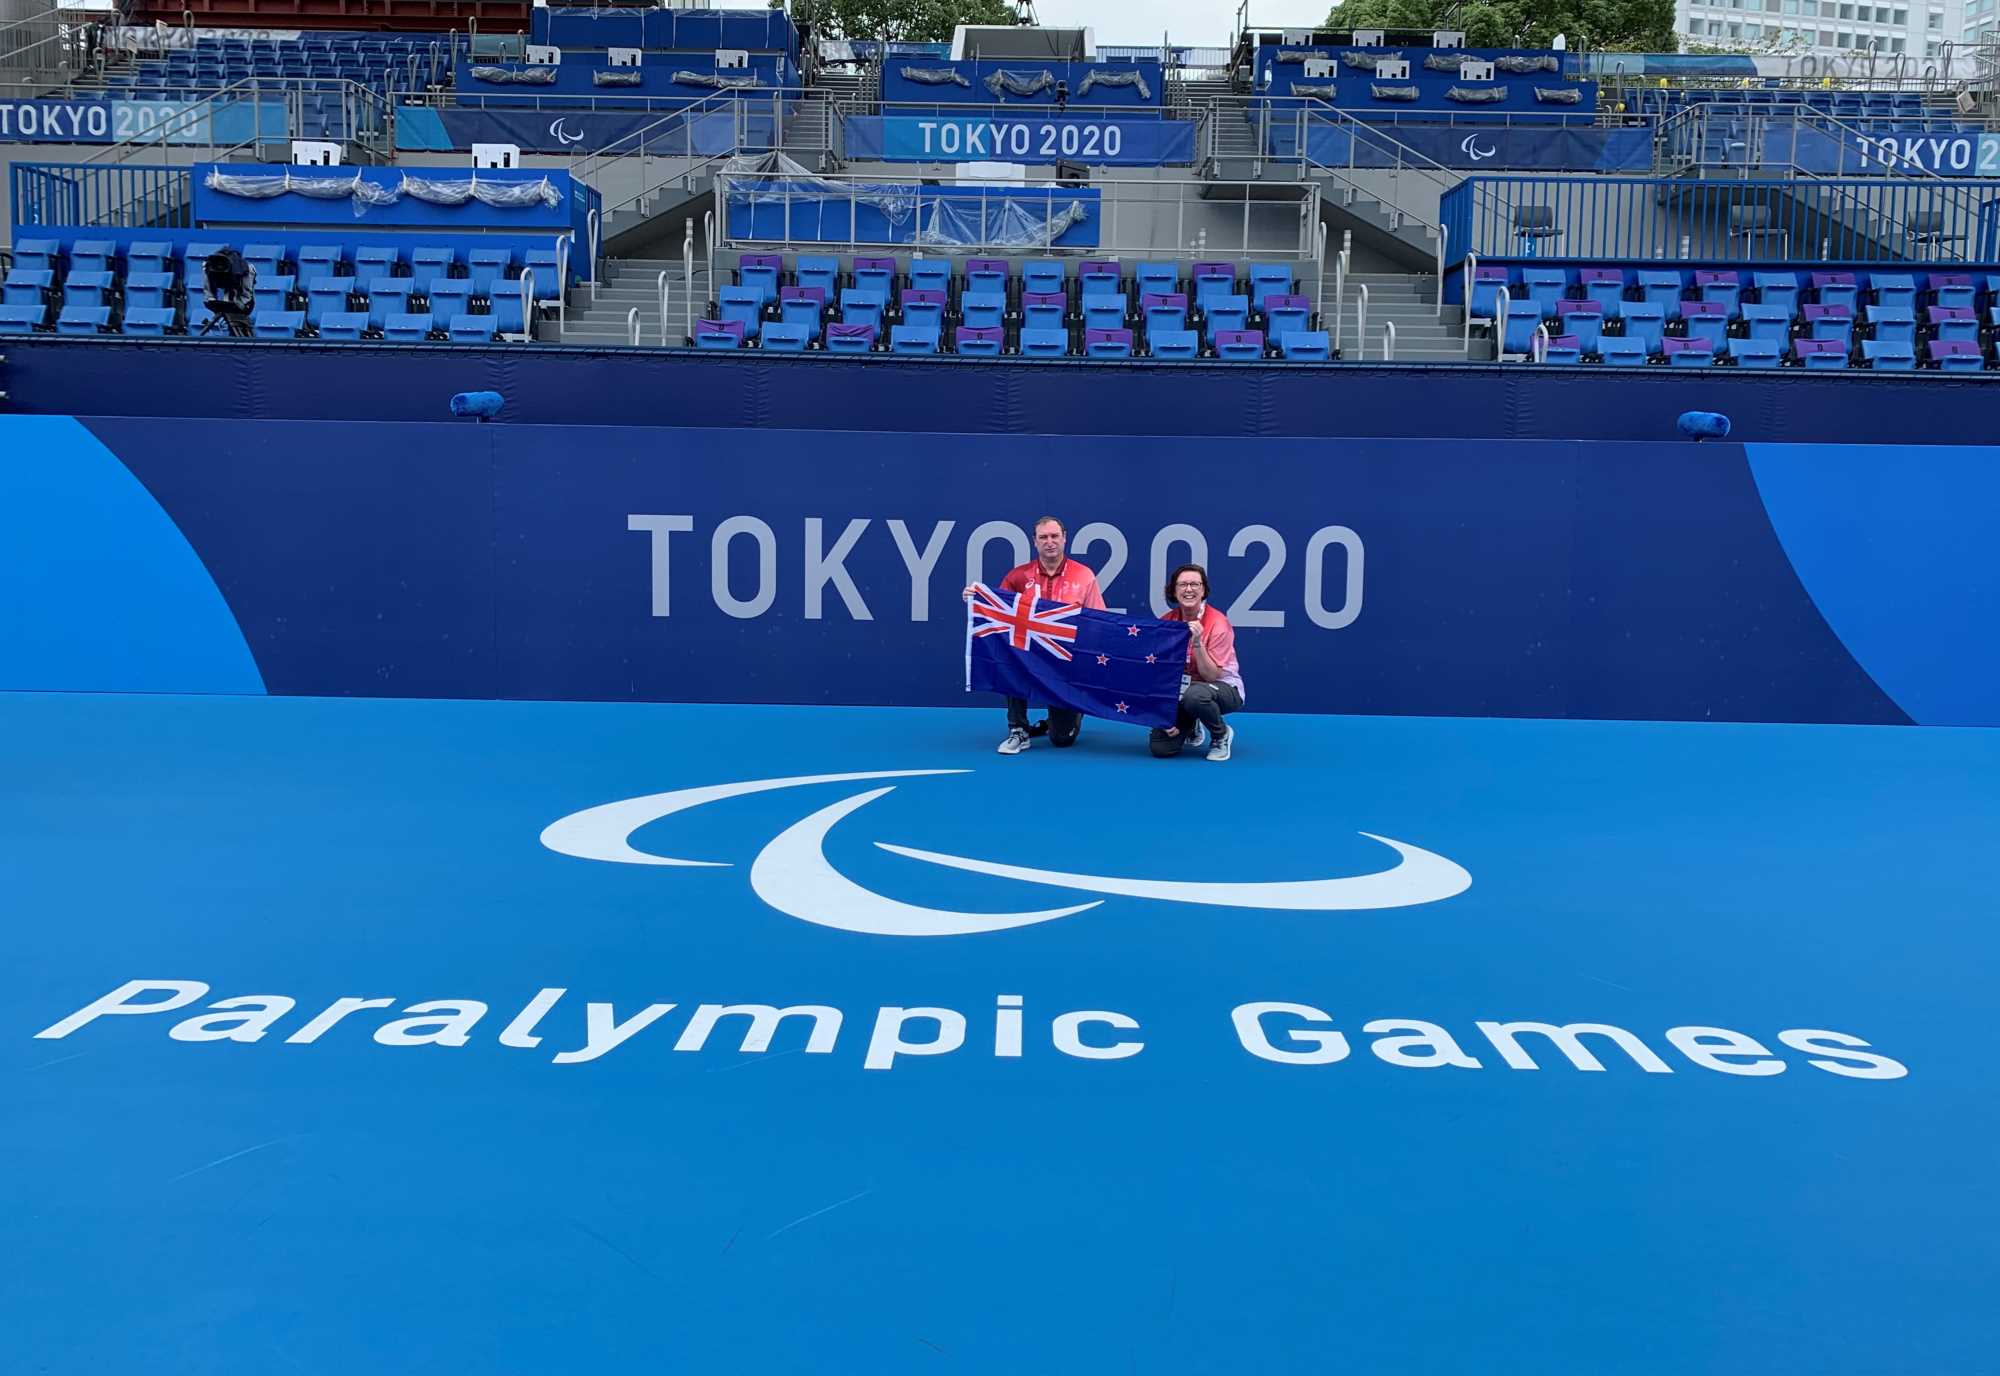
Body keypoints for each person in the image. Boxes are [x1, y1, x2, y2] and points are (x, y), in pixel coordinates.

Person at [965, 515, 1105, 755]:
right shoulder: (1018, 576)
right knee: (1008, 657)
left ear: (1064, 539)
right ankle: (1018, 729)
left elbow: (1097, 621)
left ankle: (1065, 717)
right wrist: (976, 598)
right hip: (1028, 653)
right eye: (1043, 537)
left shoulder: (1084, 575)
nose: (1049, 542)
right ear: (1035, 542)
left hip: (1066, 659)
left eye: (1054, 536)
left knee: (1061, 740)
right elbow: (998, 611)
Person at [1150, 562, 1243, 762]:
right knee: (1161, 747)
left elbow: (1212, 675)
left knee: (1196, 696)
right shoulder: (1167, 622)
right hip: (1183, 692)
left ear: (1203, 590)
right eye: (1183, 585)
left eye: (1195, 584)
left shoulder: (1218, 622)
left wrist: (1198, 644)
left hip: (1224, 688)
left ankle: (1221, 734)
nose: (1189, 589)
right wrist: (1162, 714)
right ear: (1174, 591)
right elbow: (1160, 674)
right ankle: (1191, 723)